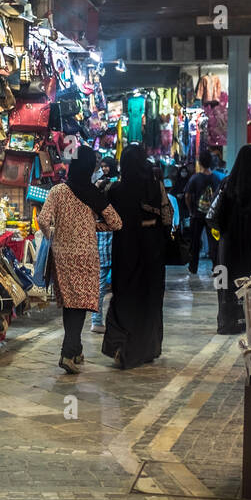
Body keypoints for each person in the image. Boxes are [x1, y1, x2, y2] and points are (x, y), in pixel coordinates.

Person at [37, 145, 122, 373]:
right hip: (86, 256)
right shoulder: (93, 193)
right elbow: (116, 223)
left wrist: (53, 234)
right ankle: (68, 352)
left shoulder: (57, 191)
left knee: (69, 302)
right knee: (80, 303)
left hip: (63, 255)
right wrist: (93, 226)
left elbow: (43, 220)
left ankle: (75, 349)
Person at [102, 146, 168, 367]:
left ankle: (122, 346)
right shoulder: (154, 187)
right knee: (149, 299)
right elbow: (168, 217)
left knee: (125, 297)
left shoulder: (116, 190)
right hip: (152, 253)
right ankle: (148, 348)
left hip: (125, 252)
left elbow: (107, 218)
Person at [214, 144, 251, 334]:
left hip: (229, 242)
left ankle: (230, 320)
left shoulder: (228, 182)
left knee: (229, 280)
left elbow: (219, 214)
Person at [184, 150, 221, 274]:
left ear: (200, 162)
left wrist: (190, 210)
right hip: (212, 216)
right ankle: (216, 266)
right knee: (213, 241)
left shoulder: (195, 178)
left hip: (197, 214)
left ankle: (193, 267)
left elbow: (187, 196)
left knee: (195, 242)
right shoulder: (216, 178)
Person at [92, 158, 118, 334]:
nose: (105, 169)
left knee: (104, 283)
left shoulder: (109, 185)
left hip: (106, 234)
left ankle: (100, 320)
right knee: (105, 283)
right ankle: (98, 320)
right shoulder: (112, 185)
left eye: (107, 166)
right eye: (102, 166)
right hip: (107, 235)